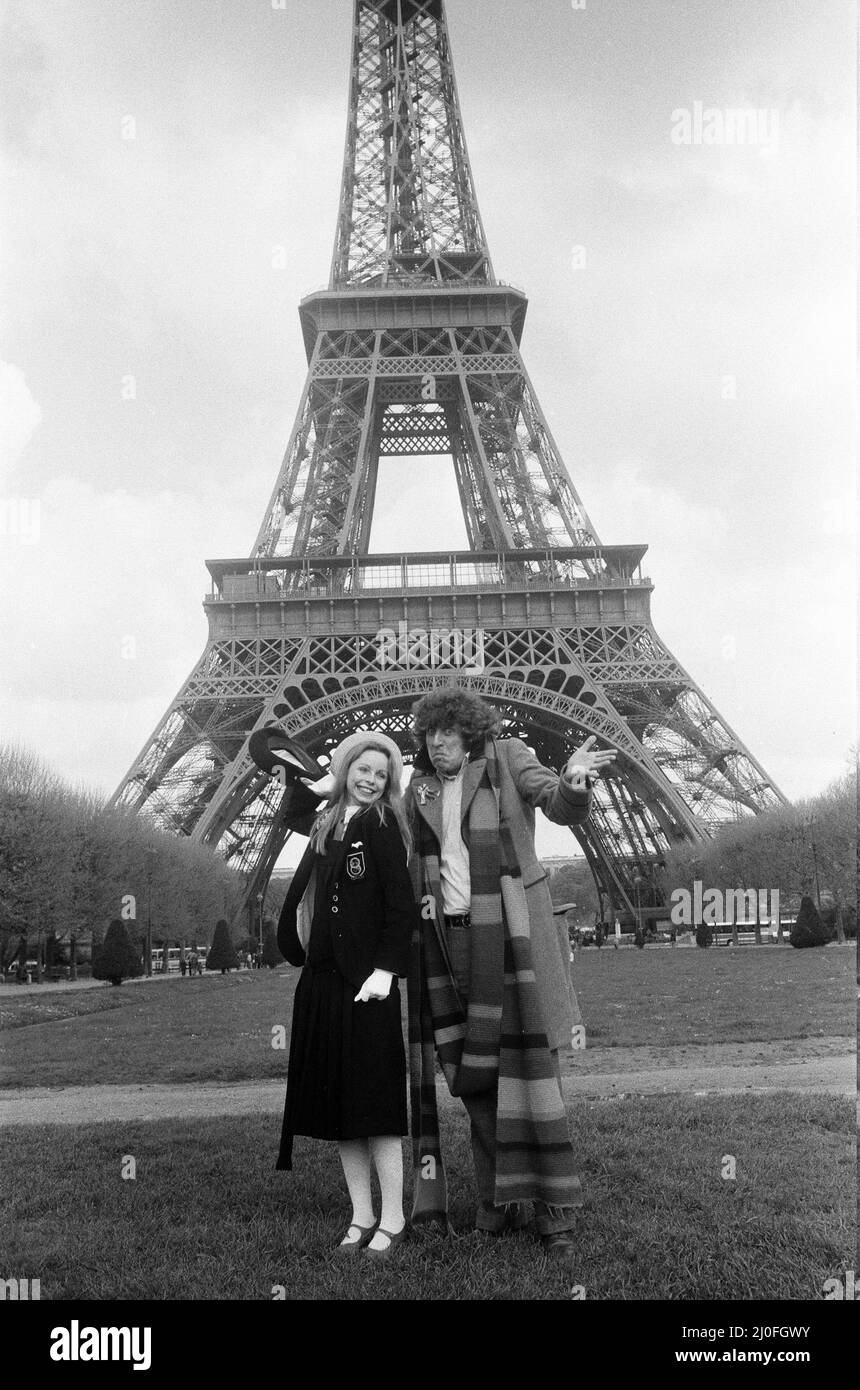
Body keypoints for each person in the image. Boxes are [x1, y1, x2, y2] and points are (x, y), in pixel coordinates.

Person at [404, 686, 615, 1263]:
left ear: (469, 732)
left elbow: (553, 799)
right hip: (451, 943)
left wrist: (574, 784)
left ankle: (552, 1214)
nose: (437, 741)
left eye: (448, 732)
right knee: (474, 1074)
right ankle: (498, 1200)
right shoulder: (416, 790)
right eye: (429, 733)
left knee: (531, 1068)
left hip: (513, 937)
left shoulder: (507, 756)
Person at [276, 732, 417, 1257]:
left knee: (374, 1102)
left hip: (368, 987)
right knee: (341, 1105)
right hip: (325, 980)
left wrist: (386, 970)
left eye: (381, 775)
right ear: (346, 768)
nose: (371, 780)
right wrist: (322, 784)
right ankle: (361, 1213)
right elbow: (288, 811)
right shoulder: (325, 821)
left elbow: (401, 906)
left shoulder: (383, 826)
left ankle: (395, 1216)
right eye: (362, 769)